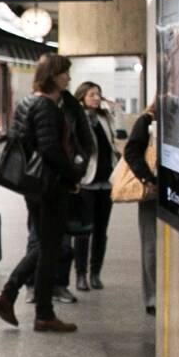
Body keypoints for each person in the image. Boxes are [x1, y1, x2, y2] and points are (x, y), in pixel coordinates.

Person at [0, 53, 92, 334]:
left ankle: (10, 296)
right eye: (64, 74)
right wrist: (72, 175)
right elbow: (50, 148)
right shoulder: (46, 107)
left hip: (33, 186)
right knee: (49, 249)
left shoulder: (27, 102)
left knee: (44, 245)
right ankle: (41, 313)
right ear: (53, 76)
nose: (68, 78)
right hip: (49, 187)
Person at [71, 82, 118, 292]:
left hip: (106, 182)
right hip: (87, 182)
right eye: (92, 95)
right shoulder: (78, 120)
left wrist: (116, 110)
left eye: (99, 94)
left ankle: (95, 273)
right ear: (82, 98)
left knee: (101, 230)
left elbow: (120, 135)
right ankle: (80, 274)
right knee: (83, 230)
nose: (97, 98)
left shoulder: (105, 117)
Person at [121, 103, 159, 314]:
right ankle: (152, 297)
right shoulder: (147, 120)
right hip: (151, 190)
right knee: (151, 243)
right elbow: (131, 151)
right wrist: (147, 178)